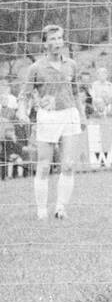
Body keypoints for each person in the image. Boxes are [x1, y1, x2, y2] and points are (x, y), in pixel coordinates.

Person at [16, 25, 83, 220]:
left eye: (60, 38)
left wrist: (82, 115)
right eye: (52, 39)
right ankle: (41, 211)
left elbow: (77, 92)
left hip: (70, 115)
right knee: (44, 165)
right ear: (45, 43)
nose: (57, 42)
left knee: (69, 164)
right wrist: (22, 112)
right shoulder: (36, 68)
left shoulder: (71, 64)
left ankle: (61, 208)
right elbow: (24, 95)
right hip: (48, 117)